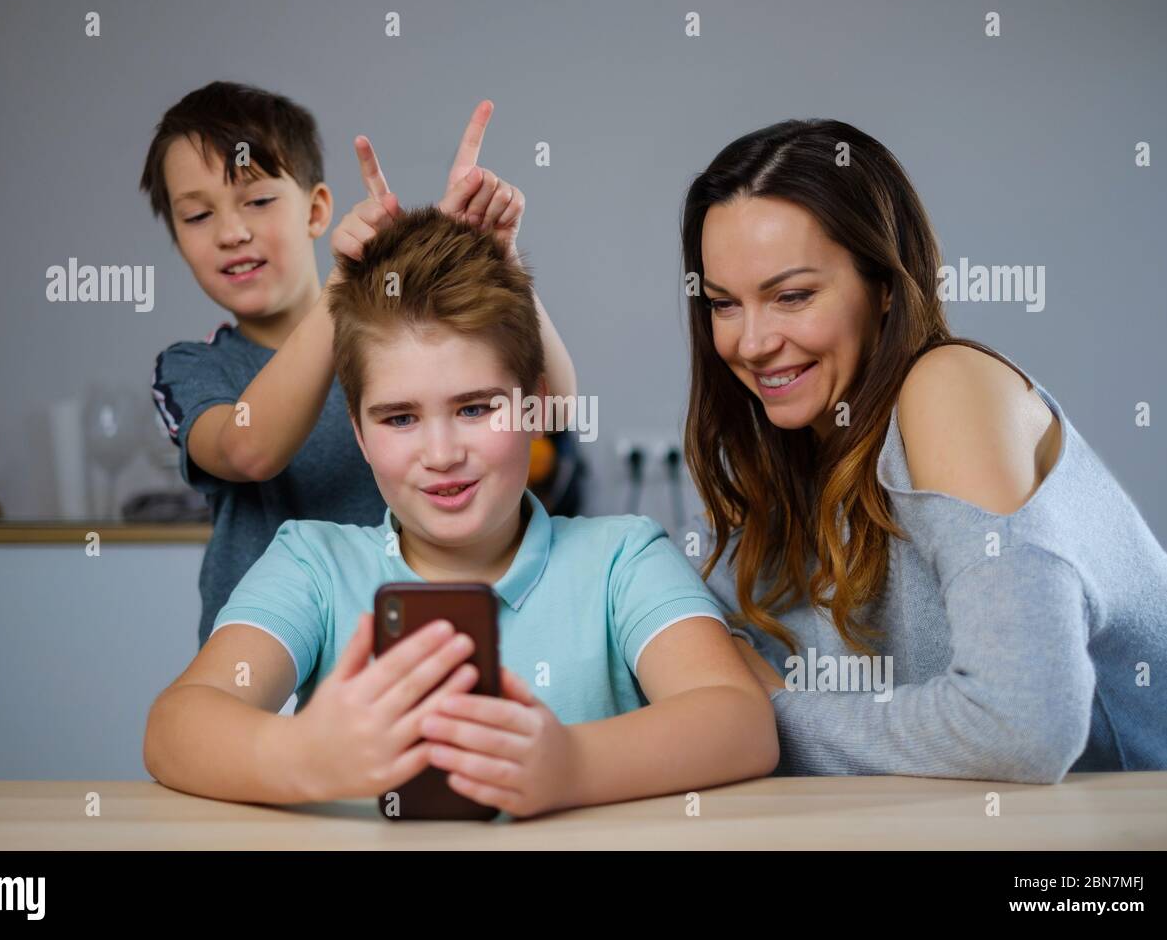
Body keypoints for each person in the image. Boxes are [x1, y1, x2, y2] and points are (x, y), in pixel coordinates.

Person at [143, 205, 778, 818]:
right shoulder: (311, 564)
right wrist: (306, 756)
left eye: (475, 409)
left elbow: (742, 721)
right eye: (399, 418)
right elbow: (175, 726)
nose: (441, 454)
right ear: (360, 435)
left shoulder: (623, 558)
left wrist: (571, 766)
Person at [679, 118, 1167, 782]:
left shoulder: (949, 388)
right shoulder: (787, 477)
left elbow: (1023, 727)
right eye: (724, 304)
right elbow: (631, 620)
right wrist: (503, 280)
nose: (750, 343)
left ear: (885, 286)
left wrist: (770, 713)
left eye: (792, 296)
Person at [142, 83, 575, 651]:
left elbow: (557, 410)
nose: (231, 232)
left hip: (410, 647)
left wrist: (499, 260)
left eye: (258, 200)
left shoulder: (389, 340)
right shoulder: (191, 368)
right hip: (271, 667)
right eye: (197, 215)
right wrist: (341, 286)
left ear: (317, 210)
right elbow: (250, 450)